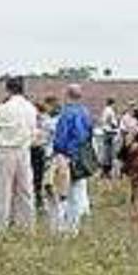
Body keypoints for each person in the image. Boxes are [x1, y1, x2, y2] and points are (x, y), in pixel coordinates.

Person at [0, 76, 37, 231]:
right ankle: (26, 225)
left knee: (3, 190)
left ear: (8, 89)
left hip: (6, 150)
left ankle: (0, 226)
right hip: (24, 150)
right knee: (25, 189)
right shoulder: (31, 108)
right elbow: (33, 130)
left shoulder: (3, 108)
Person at [52, 84, 94, 233]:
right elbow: (89, 134)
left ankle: (62, 229)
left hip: (67, 156)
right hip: (83, 156)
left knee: (63, 193)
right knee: (79, 191)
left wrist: (59, 154)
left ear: (66, 95)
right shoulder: (86, 112)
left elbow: (60, 139)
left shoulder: (66, 114)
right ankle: (75, 227)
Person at [99, 98, 119, 178]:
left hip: (105, 131)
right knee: (109, 152)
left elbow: (102, 121)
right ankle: (107, 171)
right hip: (109, 132)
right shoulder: (110, 111)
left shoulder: (105, 110)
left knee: (106, 151)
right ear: (112, 103)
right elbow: (113, 122)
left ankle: (105, 170)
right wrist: (115, 125)